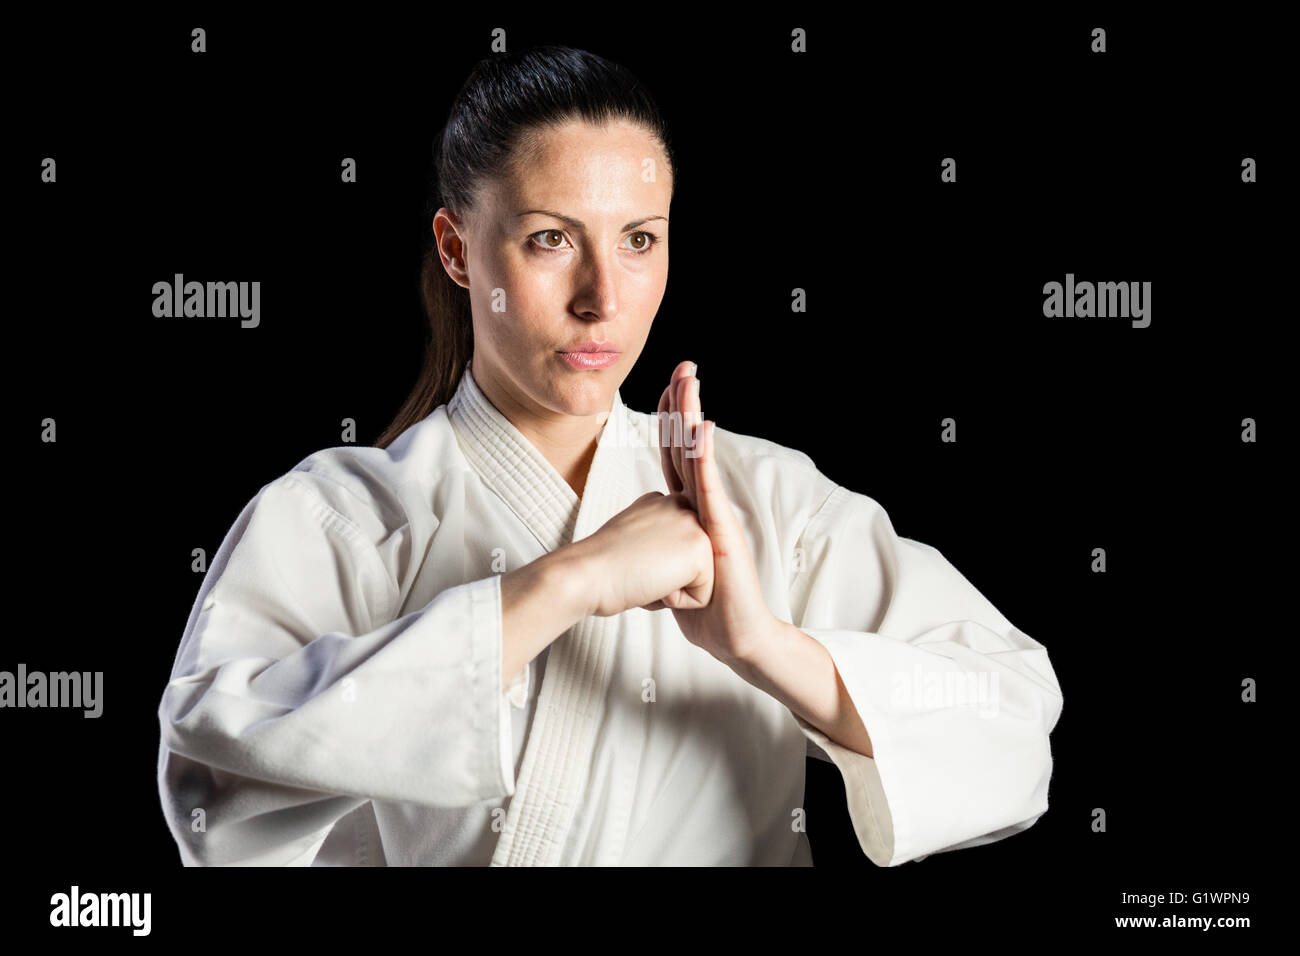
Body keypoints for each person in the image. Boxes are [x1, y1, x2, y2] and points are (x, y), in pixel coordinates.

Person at [156, 45, 1063, 867]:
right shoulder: (347, 515)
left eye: (639, 240)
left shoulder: (764, 506)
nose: (602, 298)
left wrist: (763, 645)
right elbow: (209, 786)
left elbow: (1013, 718)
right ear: (457, 249)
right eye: (551, 239)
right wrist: (567, 583)